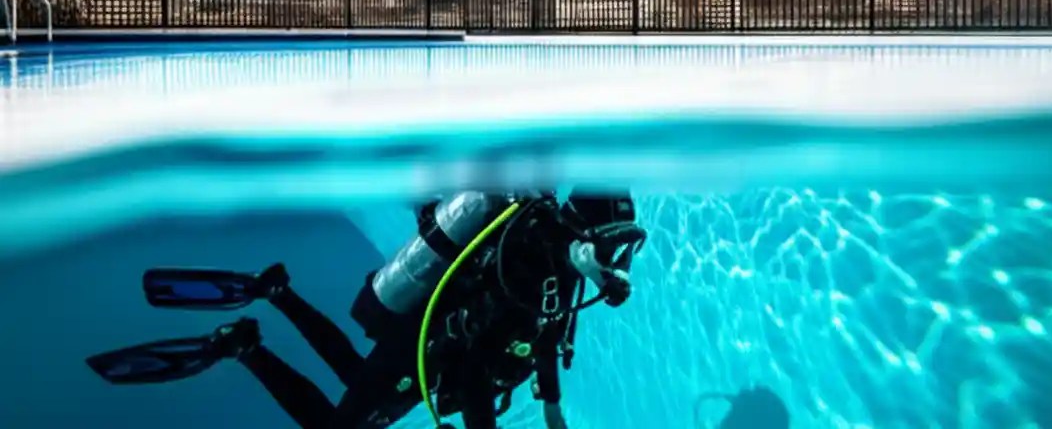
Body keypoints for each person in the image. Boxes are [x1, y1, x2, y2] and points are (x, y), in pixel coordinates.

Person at [86, 188, 647, 429]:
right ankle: (244, 346)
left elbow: (547, 336)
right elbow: (477, 368)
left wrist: (550, 411)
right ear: (583, 232)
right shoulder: (532, 267)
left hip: (420, 352)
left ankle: (277, 293)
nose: (615, 258)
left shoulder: (553, 273)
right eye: (611, 244)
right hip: (422, 351)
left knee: (358, 373)